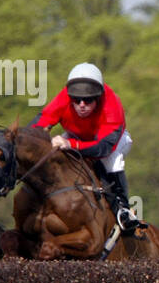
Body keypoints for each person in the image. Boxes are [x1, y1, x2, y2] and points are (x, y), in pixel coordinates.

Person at [30, 63, 140, 230]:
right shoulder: (63, 97)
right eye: (76, 99)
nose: (81, 104)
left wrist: (70, 144)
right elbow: (43, 121)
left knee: (112, 161)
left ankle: (123, 209)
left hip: (110, 143)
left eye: (88, 100)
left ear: (98, 97)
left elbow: (103, 149)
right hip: (76, 136)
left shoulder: (111, 104)